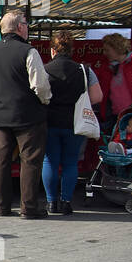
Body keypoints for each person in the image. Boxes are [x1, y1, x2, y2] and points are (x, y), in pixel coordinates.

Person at [0, 11, 52, 219]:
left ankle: (1, 206)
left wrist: (0, 96)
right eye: (26, 24)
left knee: (0, 160)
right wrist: (45, 101)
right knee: (29, 159)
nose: (28, 27)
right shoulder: (29, 52)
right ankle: (28, 208)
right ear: (19, 27)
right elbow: (40, 85)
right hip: (28, 115)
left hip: (1, 115)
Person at [42, 30, 103, 215]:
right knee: (70, 162)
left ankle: (51, 203)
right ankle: (66, 202)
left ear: (53, 50)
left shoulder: (44, 70)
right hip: (76, 123)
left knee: (49, 161)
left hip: (49, 122)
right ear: (71, 50)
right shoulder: (85, 70)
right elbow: (98, 96)